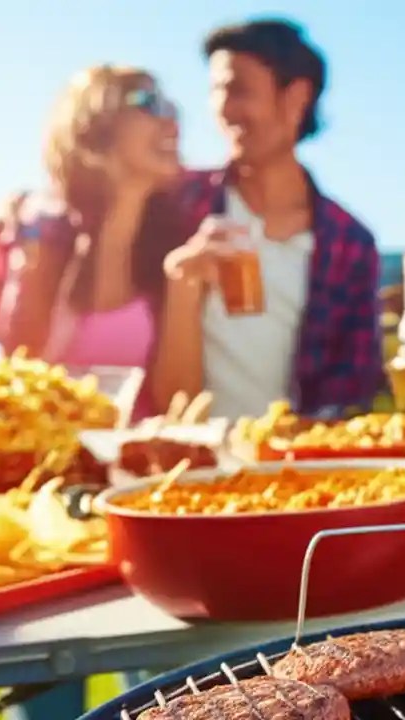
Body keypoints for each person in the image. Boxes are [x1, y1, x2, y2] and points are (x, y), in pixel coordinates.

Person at [156, 18, 384, 420]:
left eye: (238, 90)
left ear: (296, 98)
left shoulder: (351, 244)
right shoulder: (179, 205)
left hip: (294, 470)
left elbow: (353, 393)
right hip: (190, 466)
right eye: (216, 92)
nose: (223, 109)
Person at [0, 66, 186, 418]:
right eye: (149, 103)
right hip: (24, 455)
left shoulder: (174, 255)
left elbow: (175, 404)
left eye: (173, 111)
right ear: (91, 126)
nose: (173, 124)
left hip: (127, 467)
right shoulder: (18, 234)